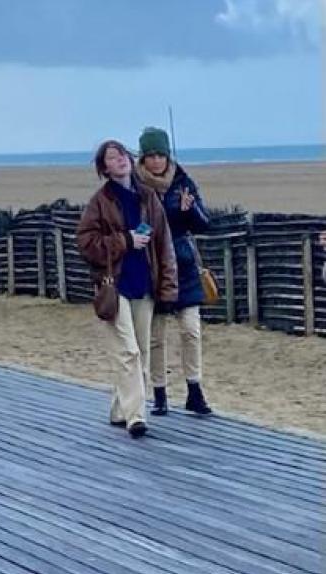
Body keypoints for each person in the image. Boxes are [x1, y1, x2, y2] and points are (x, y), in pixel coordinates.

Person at [77, 140, 177, 439]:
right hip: (114, 285)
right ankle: (136, 417)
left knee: (141, 352)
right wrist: (125, 240)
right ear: (104, 167)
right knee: (128, 352)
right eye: (112, 157)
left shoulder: (148, 197)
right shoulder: (100, 201)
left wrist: (168, 289)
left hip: (143, 283)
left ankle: (120, 409)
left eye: (122, 154)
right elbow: (86, 244)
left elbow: (164, 244)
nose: (120, 160)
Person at [136, 127, 213, 416]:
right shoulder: (136, 186)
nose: (156, 160)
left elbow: (204, 224)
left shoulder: (183, 182)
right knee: (156, 336)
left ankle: (195, 390)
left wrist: (188, 210)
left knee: (191, 330)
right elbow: (135, 224)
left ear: (168, 156)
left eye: (161, 155)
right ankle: (160, 394)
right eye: (151, 155)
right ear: (143, 158)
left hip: (184, 266)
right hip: (153, 267)